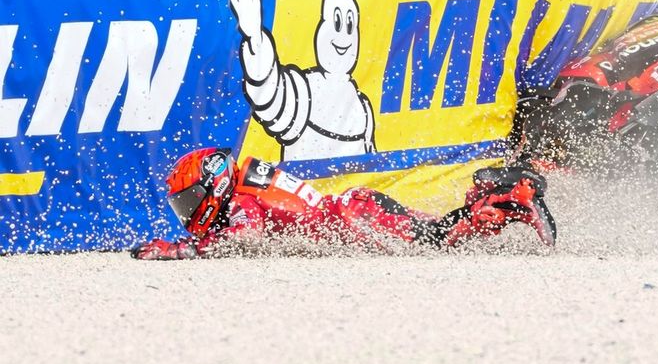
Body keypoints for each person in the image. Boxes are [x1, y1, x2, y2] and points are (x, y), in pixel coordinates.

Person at [130, 148, 556, 260]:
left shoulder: (242, 200)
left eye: (190, 199)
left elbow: (245, 234)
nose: (189, 211)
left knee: (436, 242)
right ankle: (495, 194)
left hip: (357, 216)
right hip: (357, 210)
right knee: (439, 234)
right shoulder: (245, 185)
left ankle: (513, 197)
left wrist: (179, 249)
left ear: (215, 184)